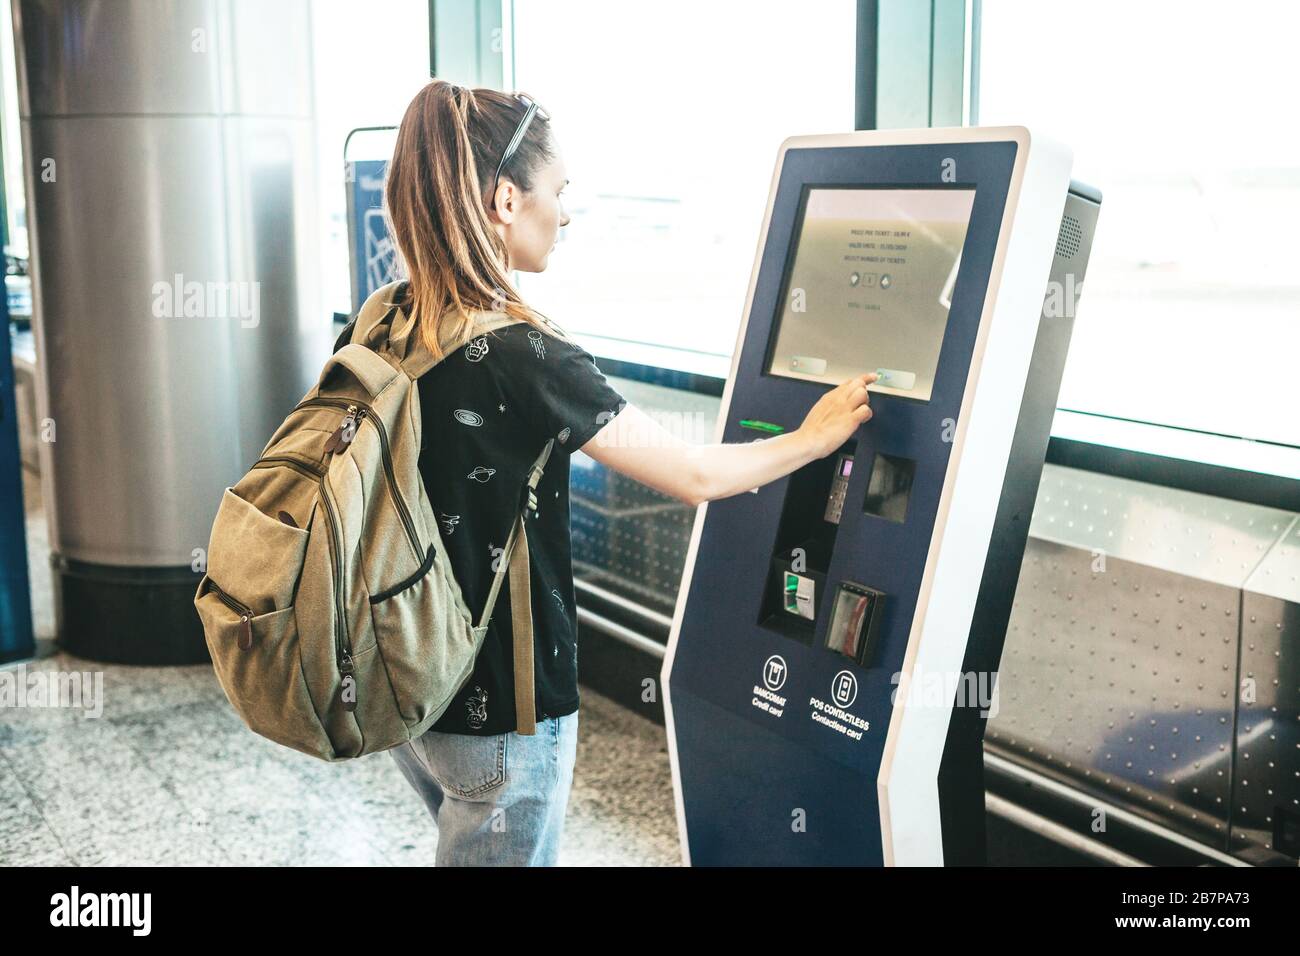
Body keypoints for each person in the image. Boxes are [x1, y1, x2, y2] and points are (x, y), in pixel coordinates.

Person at [334, 79, 876, 866]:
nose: (566, 212)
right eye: (558, 191)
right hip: (503, 716)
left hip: (404, 682)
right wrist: (814, 437)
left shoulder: (385, 315)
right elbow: (691, 473)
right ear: (503, 200)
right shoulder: (527, 353)